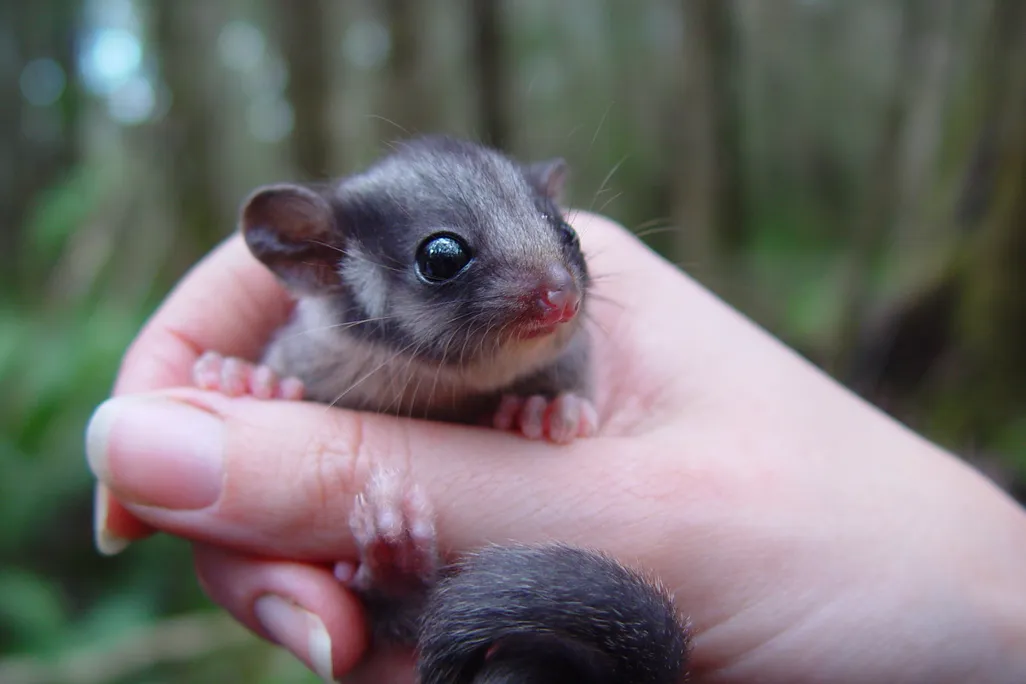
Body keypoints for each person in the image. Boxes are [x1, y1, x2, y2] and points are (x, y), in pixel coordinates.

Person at [84, 211, 1026, 683]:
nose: (559, 298)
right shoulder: (305, 354)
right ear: (322, 262)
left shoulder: (561, 374)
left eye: (561, 241)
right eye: (448, 258)